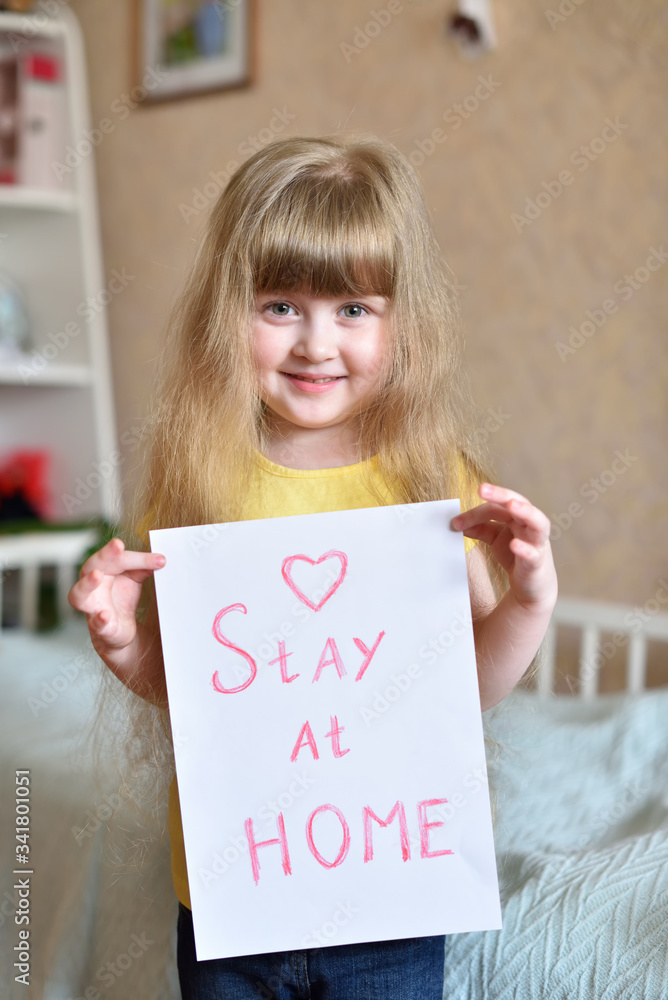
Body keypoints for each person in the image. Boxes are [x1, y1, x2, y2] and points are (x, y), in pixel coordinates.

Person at [68, 133, 558, 1000]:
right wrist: (120, 644)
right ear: (230, 311)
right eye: (281, 306)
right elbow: (198, 691)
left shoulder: (427, 479)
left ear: (402, 319)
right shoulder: (199, 482)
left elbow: (469, 685)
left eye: (353, 310)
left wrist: (528, 599)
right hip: (233, 900)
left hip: (391, 906)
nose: (315, 344)